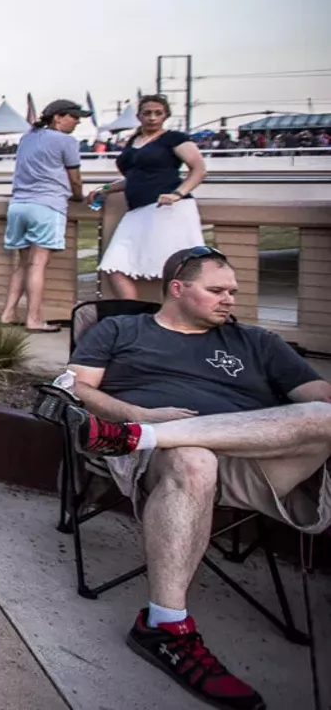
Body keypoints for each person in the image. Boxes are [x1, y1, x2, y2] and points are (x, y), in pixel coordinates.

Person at [63, 247, 330, 710]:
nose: (230, 300)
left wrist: (153, 429)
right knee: (194, 460)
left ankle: (144, 437)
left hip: (255, 465)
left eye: (233, 292)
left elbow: (318, 402)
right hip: (172, 467)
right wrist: (137, 412)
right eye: (217, 290)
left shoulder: (258, 342)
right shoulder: (120, 329)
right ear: (178, 288)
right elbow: (74, 384)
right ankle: (165, 627)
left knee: (327, 417)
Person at [92, 94, 207, 299]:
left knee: (174, 269)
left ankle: (177, 321)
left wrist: (177, 194)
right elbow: (135, 178)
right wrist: (107, 188)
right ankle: (134, 320)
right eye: (147, 113)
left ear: (166, 115)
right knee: (114, 265)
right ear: (139, 116)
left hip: (167, 211)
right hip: (137, 211)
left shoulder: (174, 138)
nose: (152, 117)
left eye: (158, 113)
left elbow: (198, 170)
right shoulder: (133, 141)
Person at [0, 99, 88, 332]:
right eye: (74, 116)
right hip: (47, 205)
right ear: (57, 117)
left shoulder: (27, 138)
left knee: (23, 263)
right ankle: (34, 319)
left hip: (19, 205)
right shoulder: (66, 141)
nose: (77, 121)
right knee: (38, 263)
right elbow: (75, 178)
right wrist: (79, 197)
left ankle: (8, 313)